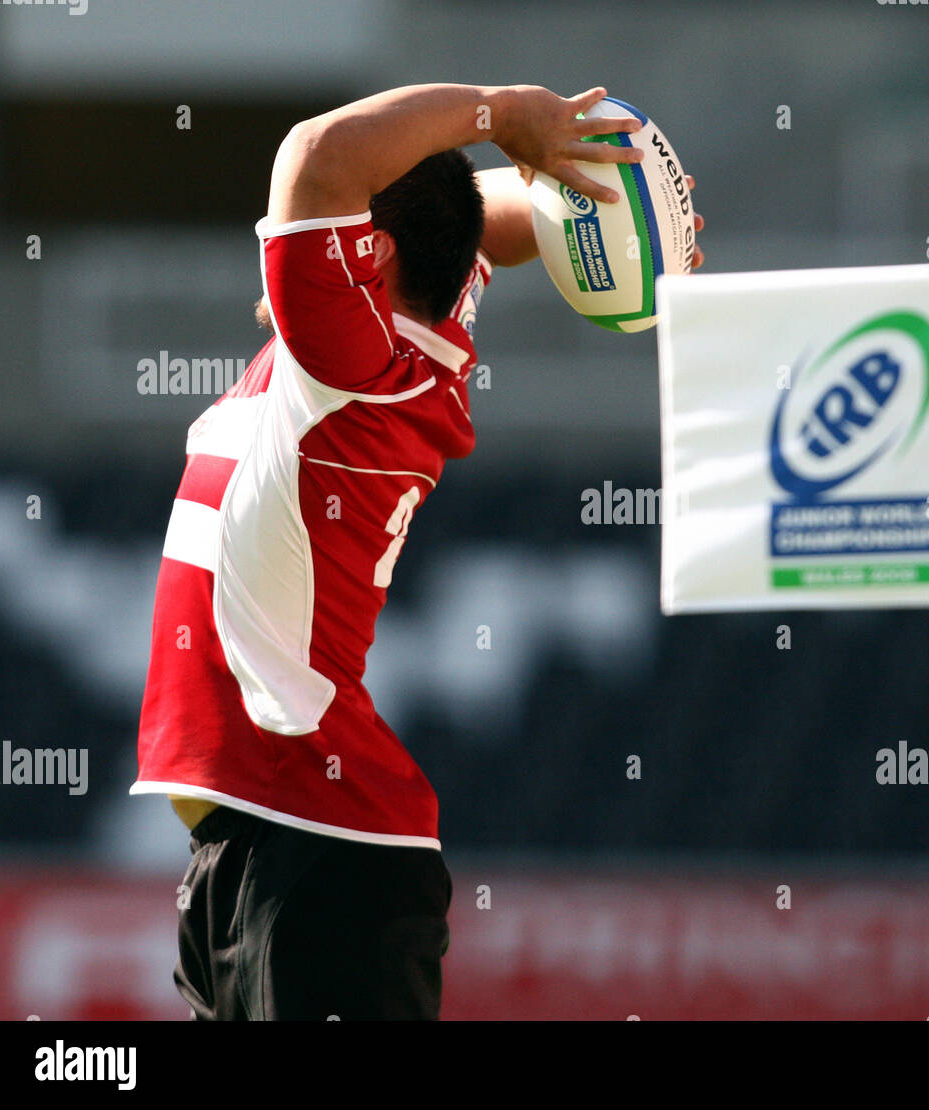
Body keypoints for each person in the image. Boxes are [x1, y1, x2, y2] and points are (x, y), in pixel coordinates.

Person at [131, 83, 704, 1020]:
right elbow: (497, 218)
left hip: (323, 860)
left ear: (373, 251)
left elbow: (316, 154)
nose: (278, 234)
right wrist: (630, 205)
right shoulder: (405, 327)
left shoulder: (344, 362)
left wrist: (501, 111)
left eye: (327, 228)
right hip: (268, 848)